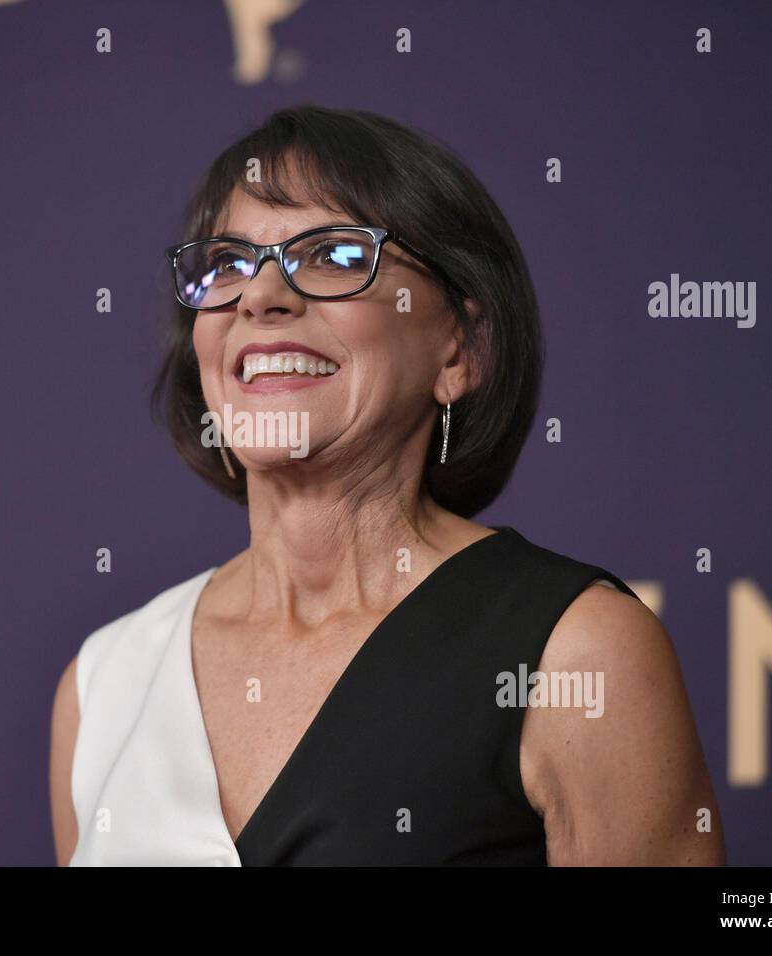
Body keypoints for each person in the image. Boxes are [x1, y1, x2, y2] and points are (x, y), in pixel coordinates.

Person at [49, 104, 725, 866]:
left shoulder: (574, 653)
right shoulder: (104, 683)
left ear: (459, 348)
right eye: (228, 263)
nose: (259, 297)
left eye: (334, 255)